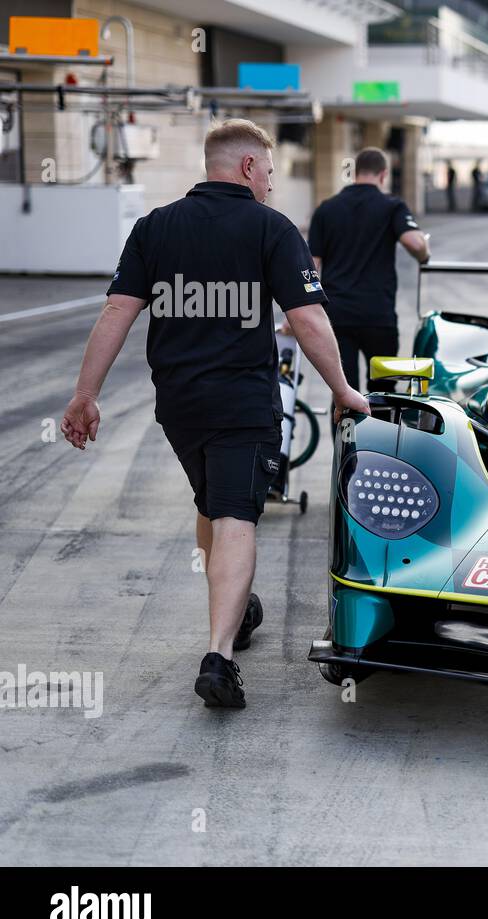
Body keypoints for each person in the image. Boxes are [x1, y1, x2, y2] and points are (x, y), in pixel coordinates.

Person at [59, 119, 370, 708]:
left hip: (179, 405)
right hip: (242, 402)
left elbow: (116, 313)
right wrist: (343, 388)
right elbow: (307, 319)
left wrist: (85, 394)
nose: (273, 186)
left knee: (212, 505)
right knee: (235, 517)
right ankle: (219, 657)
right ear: (249, 167)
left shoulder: (155, 227)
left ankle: (239, 608)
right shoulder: (271, 228)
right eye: (270, 173)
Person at [308, 147, 430, 406]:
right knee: (384, 394)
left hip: (337, 317)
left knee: (343, 393)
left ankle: (346, 445)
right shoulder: (392, 206)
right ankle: (381, 444)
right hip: (379, 317)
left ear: (354, 173)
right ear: (383, 175)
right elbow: (415, 244)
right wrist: (424, 255)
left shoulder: (326, 209)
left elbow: (311, 266)